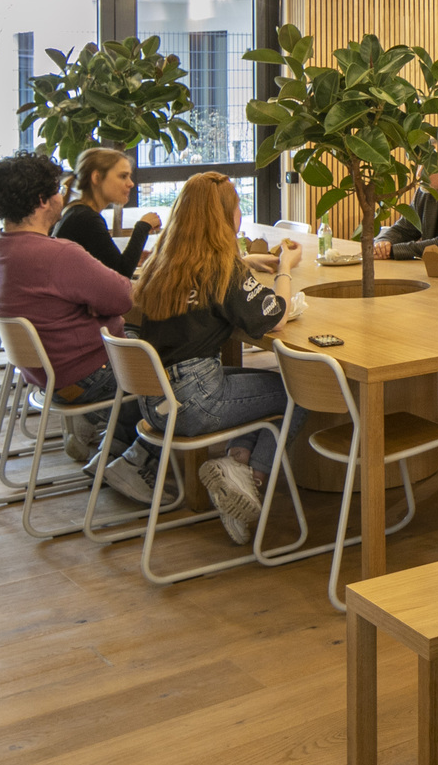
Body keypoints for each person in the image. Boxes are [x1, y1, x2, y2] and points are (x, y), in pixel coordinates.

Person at [109, 172, 305, 545]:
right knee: (297, 390)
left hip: (155, 401)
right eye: (237, 208)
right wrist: (285, 268)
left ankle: (237, 465)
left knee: (261, 388)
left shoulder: (164, 262)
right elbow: (274, 315)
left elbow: (209, 288)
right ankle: (252, 480)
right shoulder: (222, 267)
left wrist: (245, 262)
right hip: (196, 400)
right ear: (225, 217)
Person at [0, 151, 142, 467]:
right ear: (42, 200)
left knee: (139, 342)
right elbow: (123, 298)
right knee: (170, 359)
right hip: (88, 376)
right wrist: (95, 307)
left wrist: (90, 306)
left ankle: (110, 443)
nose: (62, 196)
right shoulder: (59, 255)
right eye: (57, 190)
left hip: (46, 377)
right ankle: (134, 461)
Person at [52, 146, 161, 279]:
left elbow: (108, 264)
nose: (131, 183)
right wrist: (143, 226)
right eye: (123, 176)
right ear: (97, 177)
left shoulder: (77, 212)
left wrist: (134, 256)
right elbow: (121, 273)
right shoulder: (86, 219)